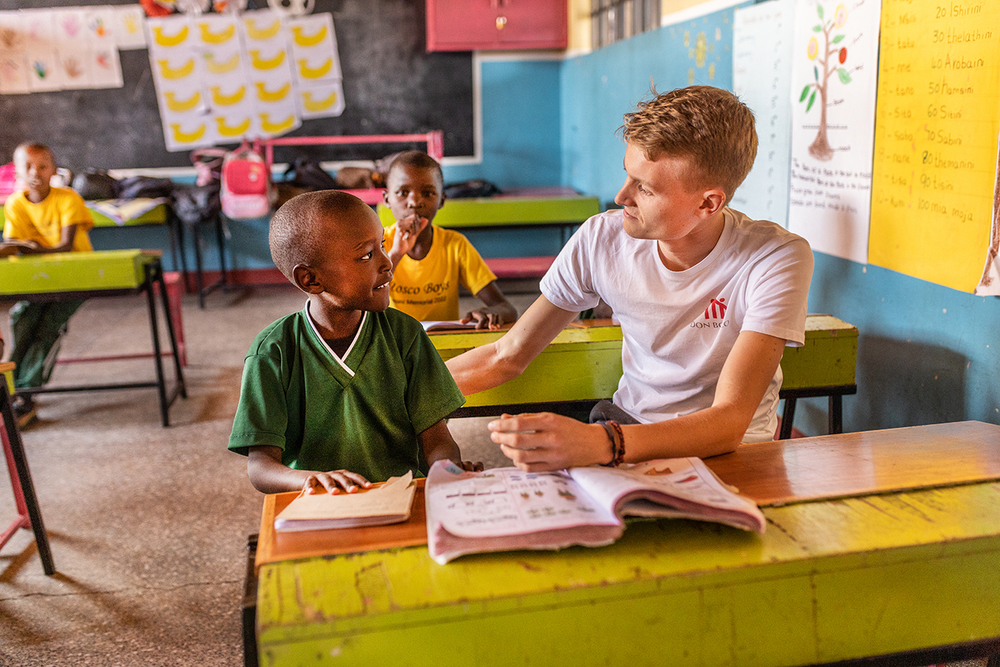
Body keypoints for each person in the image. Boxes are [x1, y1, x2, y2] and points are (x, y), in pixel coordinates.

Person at [446, 86, 814, 471]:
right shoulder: (600, 239)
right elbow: (508, 354)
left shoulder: (775, 257)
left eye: (646, 188)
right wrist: (403, 393)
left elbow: (729, 421)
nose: (622, 196)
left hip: (731, 454)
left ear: (708, 203)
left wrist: (604, 442)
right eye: (628, 175)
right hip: (628, 428)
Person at [228, 190, 480, 494]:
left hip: (403, 498)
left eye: (382, 246)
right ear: (310, 279)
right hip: (321, 506)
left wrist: (446, 469)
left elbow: (437, 440)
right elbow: (261, 467)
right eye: (366, 255)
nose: (387, 263)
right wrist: (308, 480)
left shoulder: (405, 335)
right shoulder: (273, 352)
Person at [1, 142, 95, 427]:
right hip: (36, 281)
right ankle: (11, 389)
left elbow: (64, 247)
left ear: (54, 170)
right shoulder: (16, 203)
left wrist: (23, 247)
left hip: (75, 278)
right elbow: (12, 246)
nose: (35, 173)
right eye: (28, 166)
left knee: (47, 328)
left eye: (43, 166)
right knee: (22, 318)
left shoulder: (68, 198)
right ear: (15, 171)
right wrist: (18, 248)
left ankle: (27, 394)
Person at [382, 151, 518, 329]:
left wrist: (491, 312)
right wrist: (396, 254)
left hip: (441, 344)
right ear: (387, 199)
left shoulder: (455, 245)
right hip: (392, 343)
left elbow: (507, 308)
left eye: (428, 193)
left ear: (442, 200)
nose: (414, 202)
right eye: (403, 192)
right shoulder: (379, 242)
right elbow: (362, 303)